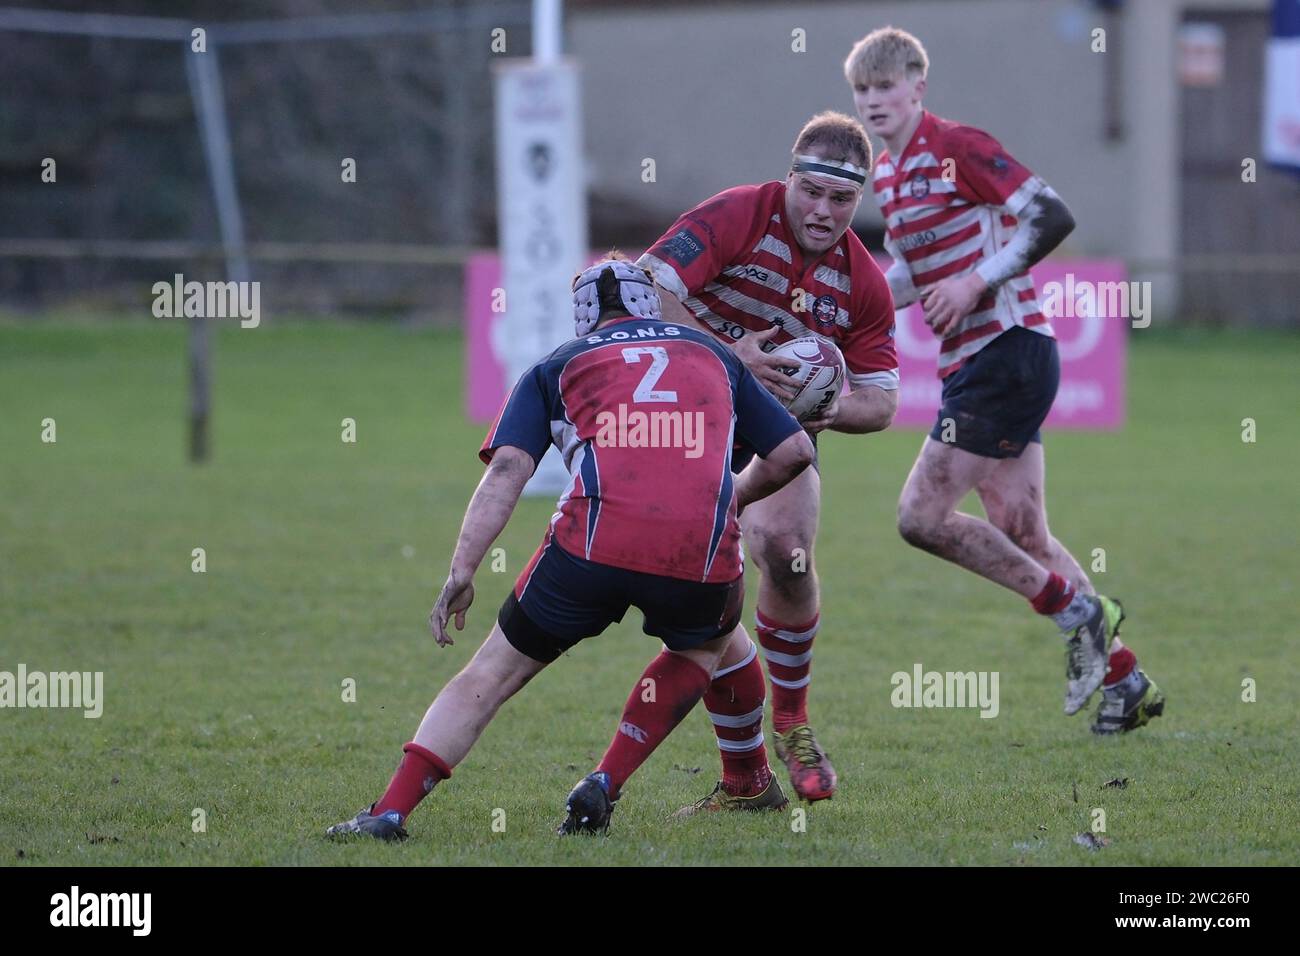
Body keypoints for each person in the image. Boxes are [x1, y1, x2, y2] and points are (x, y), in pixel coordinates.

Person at [327, 257, 815, 840]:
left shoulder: (554, 365)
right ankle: (605, 782)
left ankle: (389, 812)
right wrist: (731, 496)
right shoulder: (715, 355)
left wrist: (463, 566)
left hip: (588, 549)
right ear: (648, 304)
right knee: (705, 648)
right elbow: (794, 452)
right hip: (698, 550)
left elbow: (507, 470)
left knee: (491, 673)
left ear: (583, 315)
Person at [844, 26, 1163, 733]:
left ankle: (1077, 611)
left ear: (917, 86)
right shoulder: (890, 177)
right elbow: (905, 277)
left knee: (919, 517)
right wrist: (847, 312)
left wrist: (974, 279)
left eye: (885, 86)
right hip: (980, 365)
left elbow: (1051, 216)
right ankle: (1123, 678)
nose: (873, 101)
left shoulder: (956, 146)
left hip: (1008, 351)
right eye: (862, 90)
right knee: (1023, 531)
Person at [636, 112, 898, 805]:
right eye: (812, 191)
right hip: (688, 419)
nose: (823, 210)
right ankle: (745, 777)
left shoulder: (862, 281)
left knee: (787, 552)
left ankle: (792, 720)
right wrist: (732, 355)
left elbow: (882, 401)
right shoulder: (737, 215)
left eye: (842, 199)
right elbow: (647, 289)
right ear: (790, 178)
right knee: (700, 594)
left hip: (780, 433)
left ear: (859, 199)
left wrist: (827, 408)